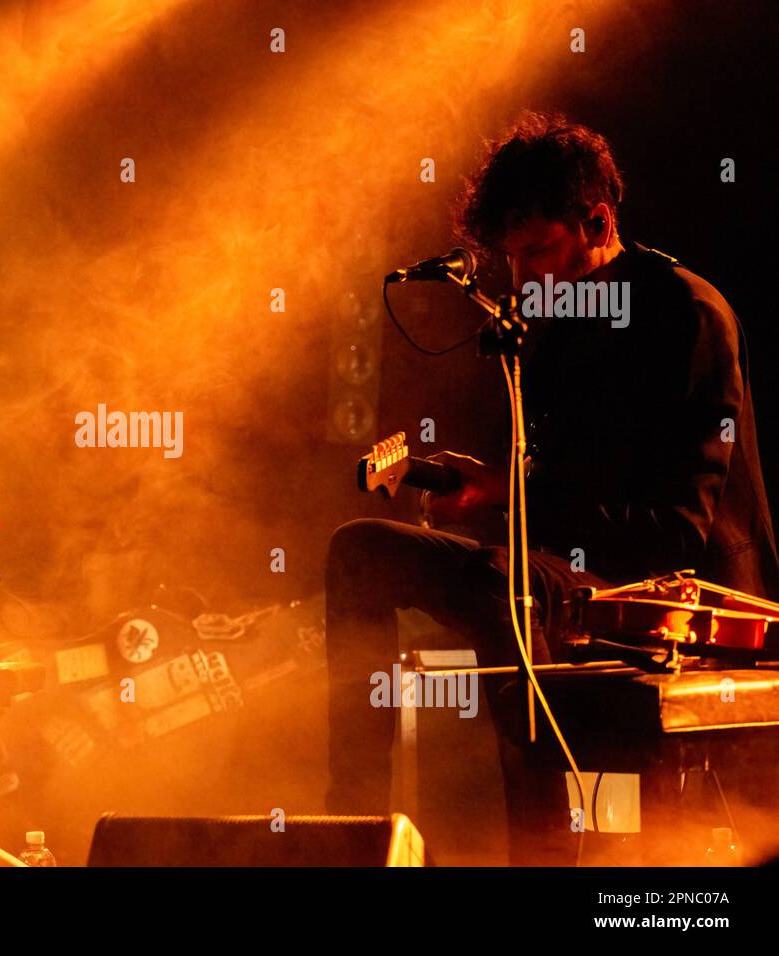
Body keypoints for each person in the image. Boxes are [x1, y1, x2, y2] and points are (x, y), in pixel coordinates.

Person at [324, 112, 779, 861]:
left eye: (539, 253)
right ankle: (358, 838)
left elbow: (672, 531)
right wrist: (491, 493)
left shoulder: (686, 314)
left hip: (677, 601)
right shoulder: (555, 327)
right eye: (511, 259)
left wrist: (513, 498)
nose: (524, 280)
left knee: (494, 597)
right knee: (364, 552)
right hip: (575, 582)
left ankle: (539, 851)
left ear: (598, 220)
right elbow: (558, 495)